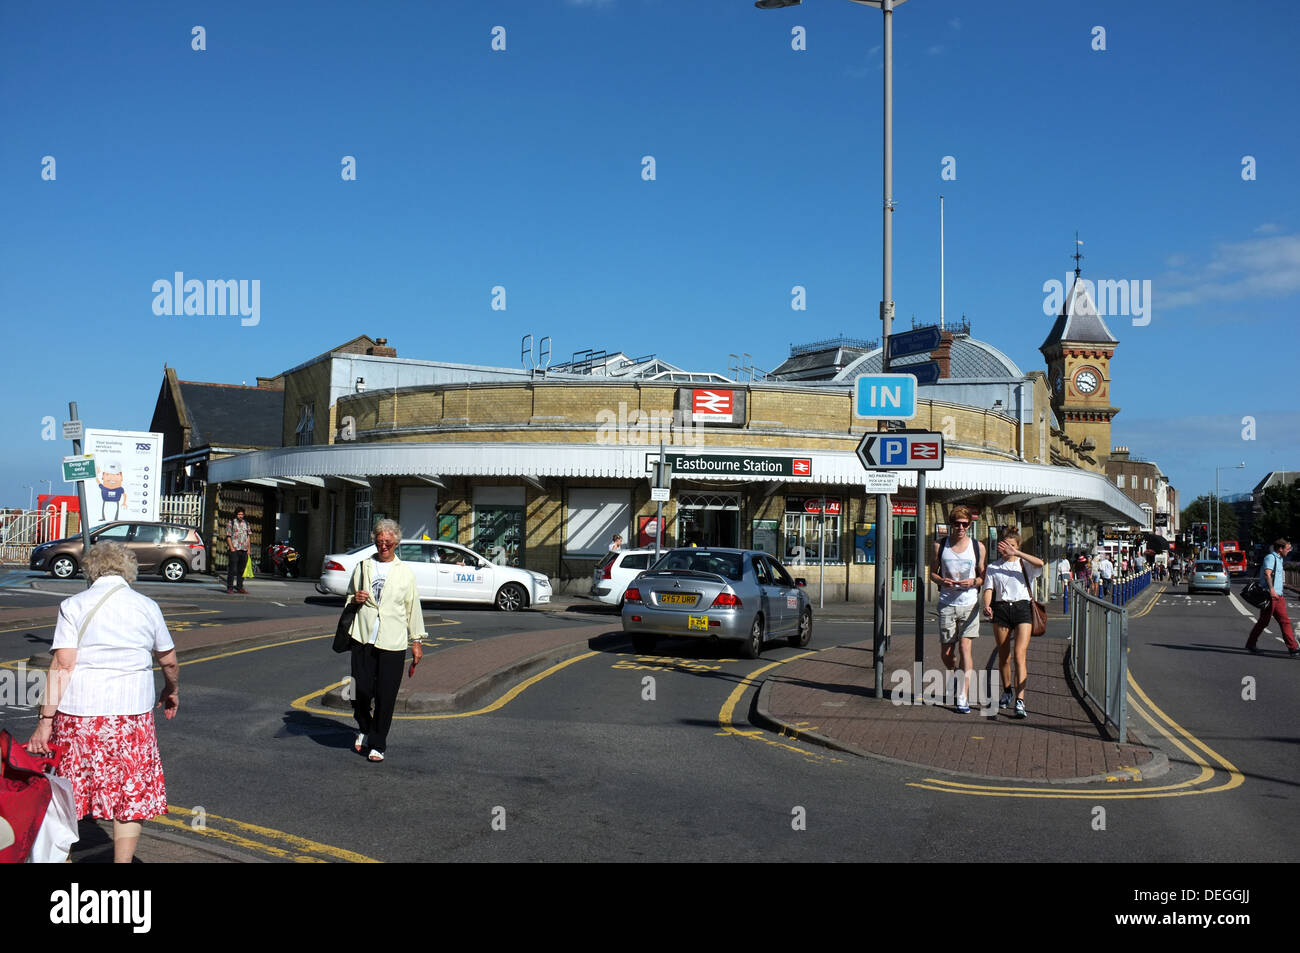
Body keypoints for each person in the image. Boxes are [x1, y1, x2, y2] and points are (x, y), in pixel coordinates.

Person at [25, 542, 179, 863]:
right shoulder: (147, 606)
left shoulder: (73, 605)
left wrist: (45, 720)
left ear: (90, 570)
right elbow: (168, 660)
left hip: (78, 714)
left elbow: (63, 665)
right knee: (129, 789)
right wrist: (171, 689)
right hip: (131, 716)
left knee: (67, 792)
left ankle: (62, 860)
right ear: (128, 570)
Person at [347, 519, 426, 762]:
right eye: (380, 541)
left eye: (388, 542)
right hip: (363, 638)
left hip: (393, 642)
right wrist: (356, 598)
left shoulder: (405, 573)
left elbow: (413, 608)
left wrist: (416, 641)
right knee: (359, 690)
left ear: (396, 543)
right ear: (375, 541)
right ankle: (364, 725)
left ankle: (378, 744)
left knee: (386, 694)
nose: (383, 546)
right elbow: (349, 596)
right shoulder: (363, 566)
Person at [981, 527, 1044, 719]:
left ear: (1017, 546)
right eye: (1005, 545)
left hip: (1022, 609)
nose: (1008, 548)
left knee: (1019, 655)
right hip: (1001, 610)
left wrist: (1016, 553)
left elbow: (1041, 562)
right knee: (1004, 656)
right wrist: (987, 605)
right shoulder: (993, 567)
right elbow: (989, 589)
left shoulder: (1026, 565)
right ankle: (1007, 690)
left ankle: (1020, 700)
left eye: (1013, 545)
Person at [929, 506, 985, 714]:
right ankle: (954, 674)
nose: (960, 527)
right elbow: (932, 573)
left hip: (969, 603)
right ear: (951, 524)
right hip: (947, 603)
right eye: (957, 523)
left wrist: (973, 581)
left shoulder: (977, 547)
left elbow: (982, 576)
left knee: (965, 648)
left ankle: (963, 695)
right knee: (947, 653)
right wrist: (942, 580)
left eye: (964, 524)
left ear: (969, 525)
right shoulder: (939, 546)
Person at [1245, 538, 1298, 657]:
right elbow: (1267, 574)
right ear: (1280, 549)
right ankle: (1251, 643)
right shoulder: (1271, 558)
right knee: (1264, 622)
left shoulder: (1279, 559)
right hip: (1271, 596)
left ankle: (1293, 648)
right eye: (1288, 549)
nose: (1289, 551)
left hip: (1279, 596)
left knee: (1284, 621)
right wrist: (1272, 590)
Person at [225, 506, 251, 594]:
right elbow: (228, 536)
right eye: (239, 514)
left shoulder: (246, 523)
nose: (241, 516)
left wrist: (248, 549)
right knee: (232, 569)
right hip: (235, 549)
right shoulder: (231, 523)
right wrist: (231, 548)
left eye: (242, 514)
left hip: (244, 549)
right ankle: (230, 587)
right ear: (236, 514)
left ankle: (239, 587)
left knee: (241, 570)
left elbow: (248, 537)